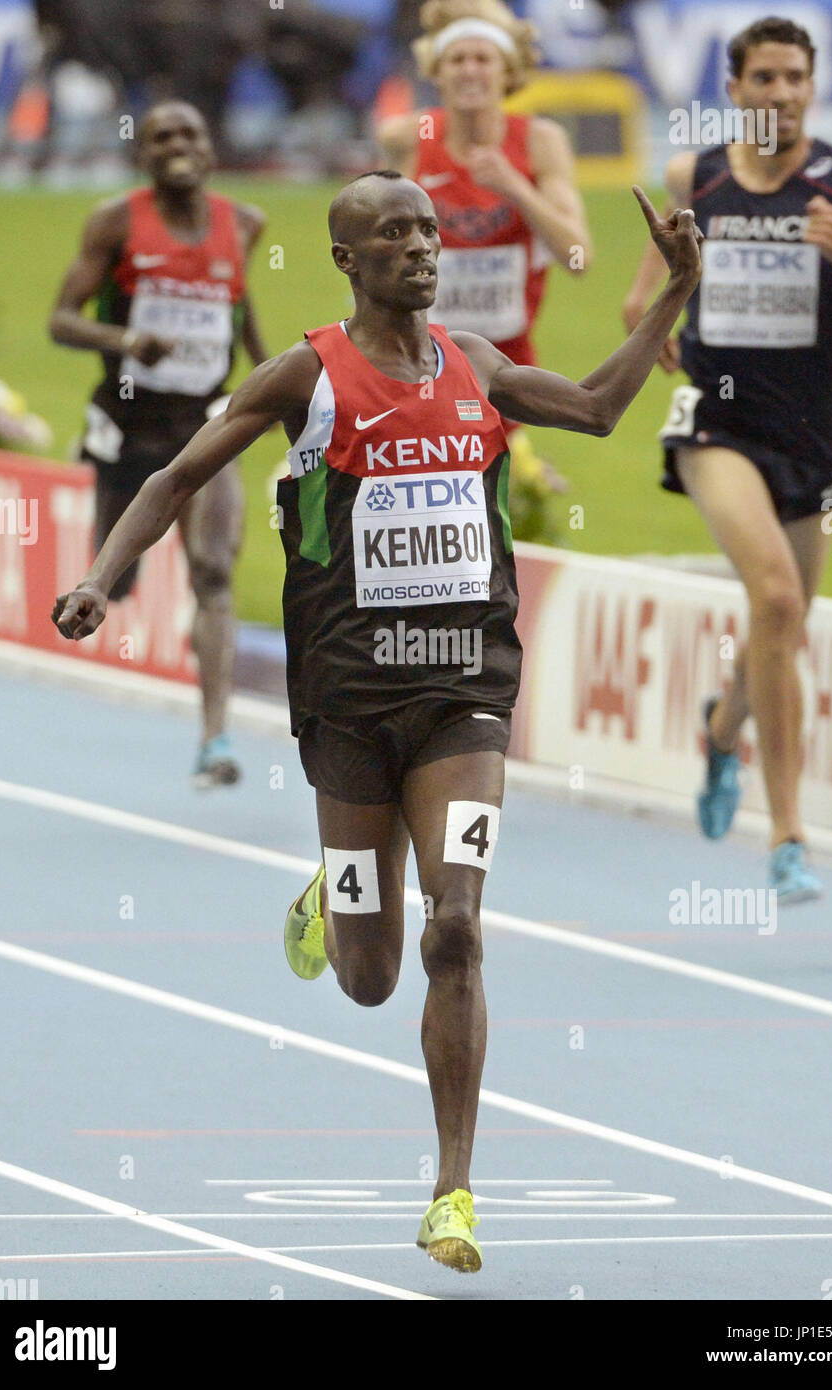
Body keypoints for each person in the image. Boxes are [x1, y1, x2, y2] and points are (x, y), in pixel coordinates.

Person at [53, 169, 702, 1272]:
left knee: (458, 926)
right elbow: (169, 477)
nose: (417, 246)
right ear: (346, 259)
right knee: (368, 974)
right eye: (389, 233)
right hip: (348, 701)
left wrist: (670, 295)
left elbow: (592, 408)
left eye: (426, 230)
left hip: (465, 693)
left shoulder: (476, 365)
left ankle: (452, 1189)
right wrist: (103, 579)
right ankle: (333, 887)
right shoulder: (305, 373)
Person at [622, 16, 832, 901]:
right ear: (731, 90)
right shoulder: (691, 176)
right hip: (717, 424)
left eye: (794, 78)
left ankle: (722, 726)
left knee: (783, 620)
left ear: (813, 86)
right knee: (775, 597)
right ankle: (786, 834)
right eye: (762, 78)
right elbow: (640, 298)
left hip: (812, 433)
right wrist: (659, 320)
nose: (779, 94)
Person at [49, 100, 268, 786]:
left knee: (212, 570)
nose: (177, 143)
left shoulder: (246, 223)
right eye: (160, 135)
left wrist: (278, 383)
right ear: (142, 154)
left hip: (205, 422)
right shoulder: (114, 221)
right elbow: (60, 319)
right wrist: (125, 340)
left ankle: (215, 739)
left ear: (209, 147)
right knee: (117, 577)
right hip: (128, 424)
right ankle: (114, 589)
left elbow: (237, 302)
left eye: (190, 132)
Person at [378, 0, 592, 537]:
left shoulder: (539, 142)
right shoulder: (410, 138)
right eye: (458, 59)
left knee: (514, 524)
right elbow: (368, 249)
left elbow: (578, 258)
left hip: (504, 364)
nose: (471, 70)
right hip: (416, 355)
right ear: (437, 71)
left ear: (508, 72)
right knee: (425, 513)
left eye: (483, 58)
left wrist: (515, 187)